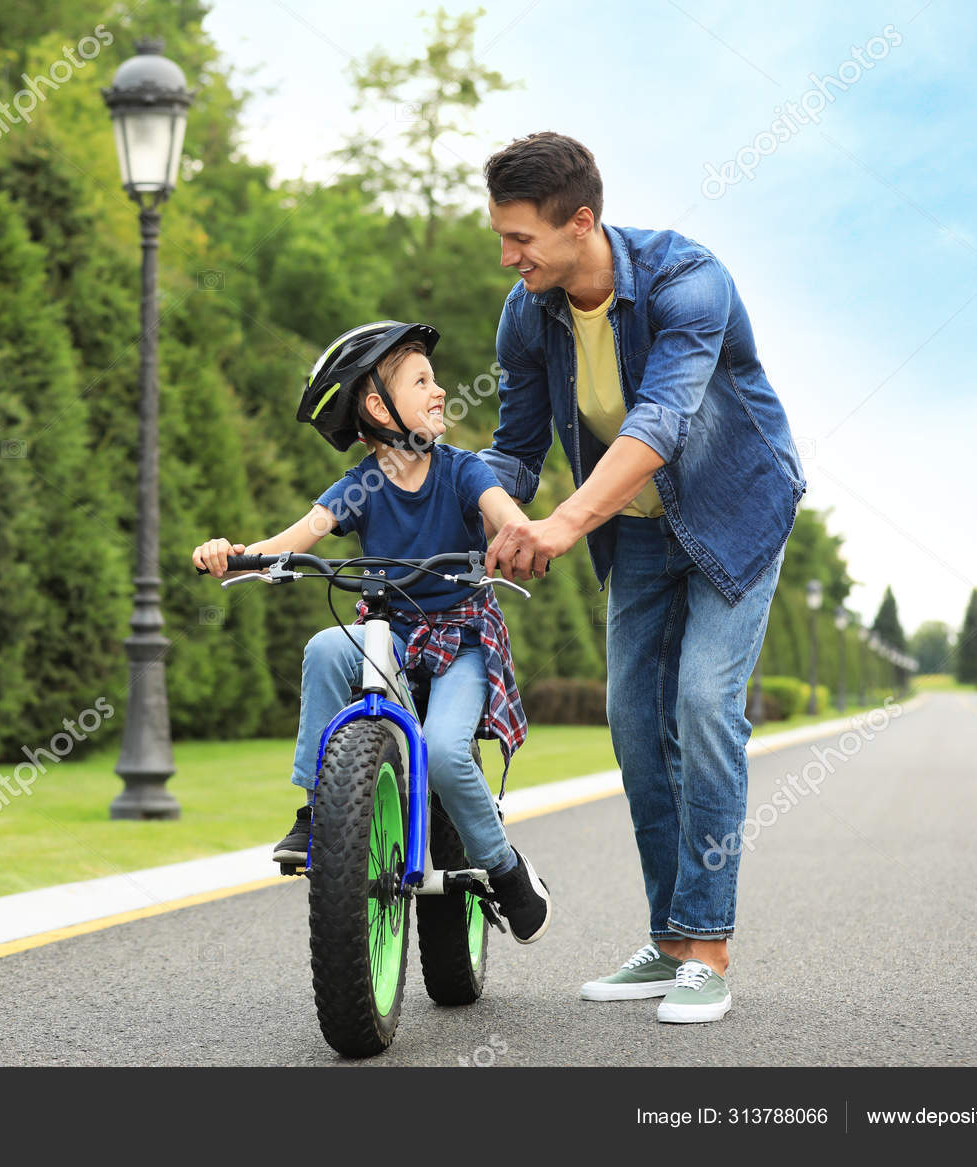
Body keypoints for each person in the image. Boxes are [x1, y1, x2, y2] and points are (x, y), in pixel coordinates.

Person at [476, 133, 806, 1019]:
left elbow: (662, 421)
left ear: (581, 222)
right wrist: (476, 512)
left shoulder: (689, 280)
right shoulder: (528, 312)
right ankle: (667, 941)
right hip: (639, 531)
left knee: (703, 704)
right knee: (631, 718)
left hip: (735, 512)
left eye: (522, 240)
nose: (509, 258)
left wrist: (563, 521)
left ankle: (710, 947)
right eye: (501, 238)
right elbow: (513, 450)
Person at [191, 320, 552, 942]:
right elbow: (294, 540)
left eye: (434, 380)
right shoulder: (361, 484)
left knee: (442, 752)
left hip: (462, 638)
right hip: (390, 631)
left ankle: (503, 867)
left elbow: (506, 517)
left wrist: (525, 538)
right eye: (422, 381)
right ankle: (313, 811)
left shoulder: (464, 471)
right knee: (328, 645)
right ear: (381, 408)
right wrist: (236, 552)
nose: (439, 392)